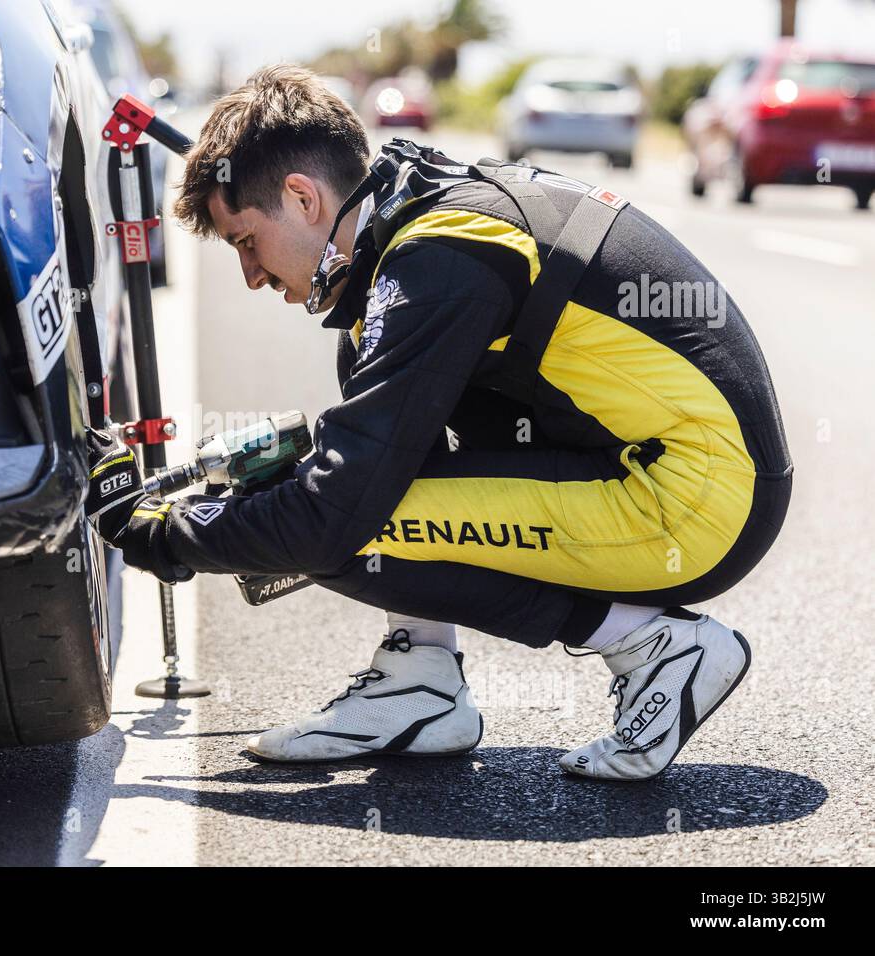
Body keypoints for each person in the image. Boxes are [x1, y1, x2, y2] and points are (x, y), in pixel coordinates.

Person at [85, 65, 792, 781]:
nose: (252, 277)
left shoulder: (439, 257)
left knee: (342, 521)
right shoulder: (418, 205)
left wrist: (157, 534)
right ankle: (420, 683)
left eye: (246, 242)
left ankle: (653, 644)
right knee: (360, 382)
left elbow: (333, 512)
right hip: (677, 466)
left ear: (302, 197)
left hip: (699, 502)